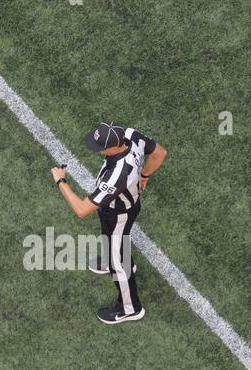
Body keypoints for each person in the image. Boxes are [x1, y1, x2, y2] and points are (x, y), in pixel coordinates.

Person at [50, 122, 167, 324]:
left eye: (101, 147)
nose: (99, 151)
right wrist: (144, 175)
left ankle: (130, 308)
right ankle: (111, 259)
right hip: (124, 206)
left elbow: (81, 210)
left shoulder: (118, 174)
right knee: (114, 243)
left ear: (113, 147)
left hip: (118, 214)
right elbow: (160, 153)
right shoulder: (131, 135)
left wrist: (61, 181)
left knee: (118, 260)